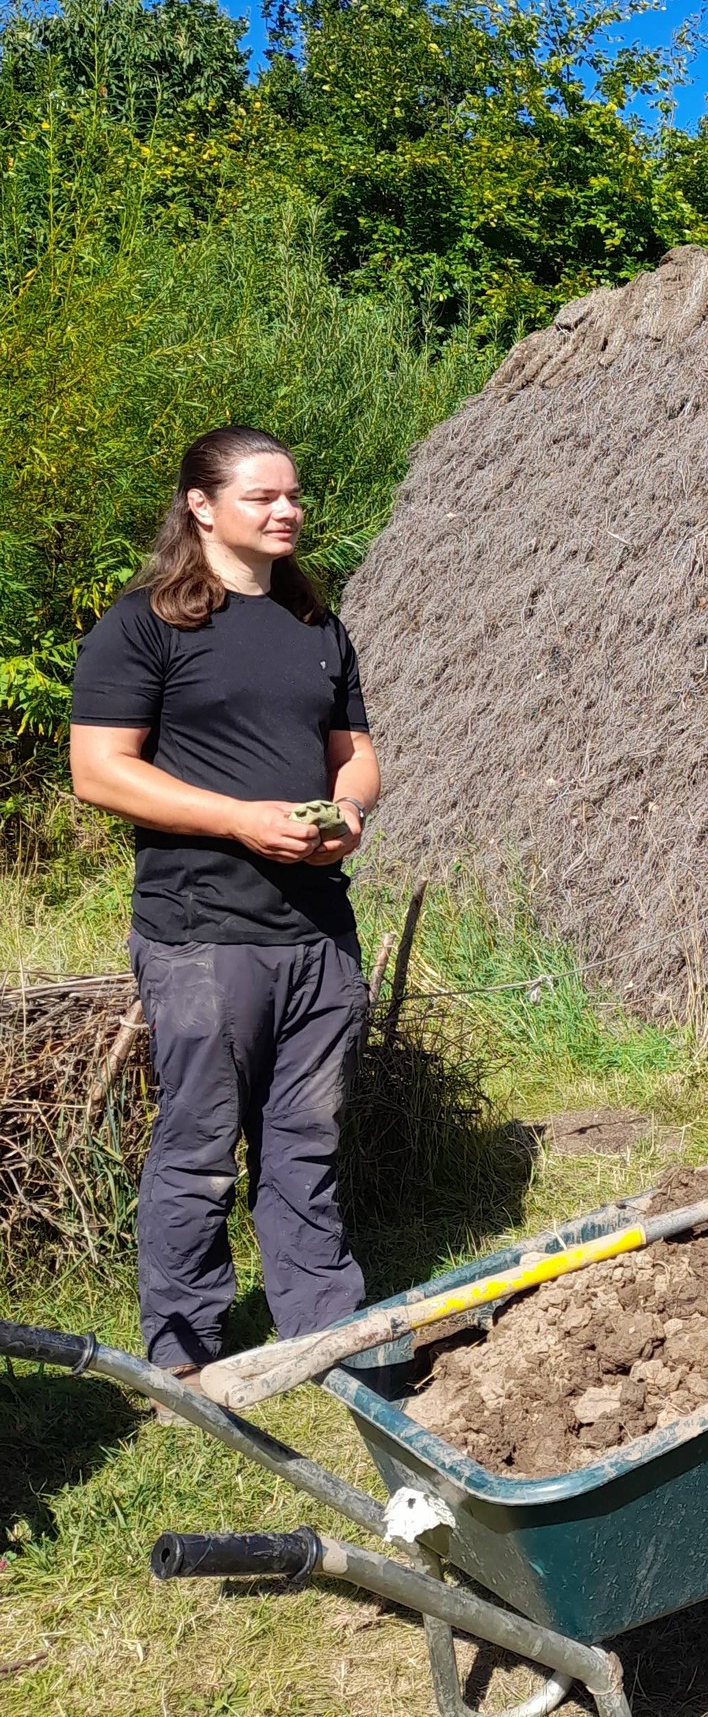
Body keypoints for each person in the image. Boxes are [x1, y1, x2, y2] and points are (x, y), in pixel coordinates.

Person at [69, 425, 380, 1386]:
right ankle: (187, 1359)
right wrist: (240, 821)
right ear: (202, 507)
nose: (286, 511)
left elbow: (354, 752)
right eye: (263, 497)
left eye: (293, 496)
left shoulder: (314, 626)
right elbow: (99, 772)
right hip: (202, 931)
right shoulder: (146, 624)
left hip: (317, 931)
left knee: (307, 1141)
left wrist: (352, 814)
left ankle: (323, 1334)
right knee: (199, 1150)